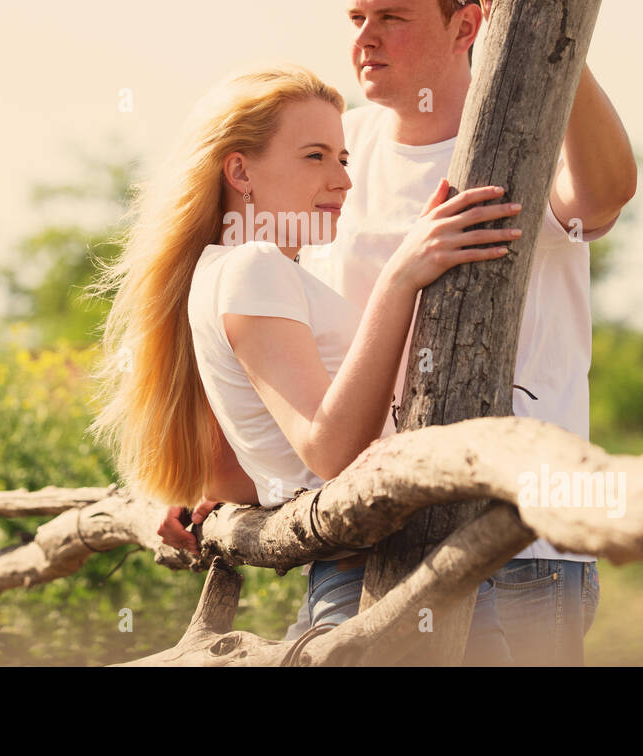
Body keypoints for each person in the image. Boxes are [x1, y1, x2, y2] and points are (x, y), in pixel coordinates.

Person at [160, 0, 637, 665]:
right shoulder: (330, 154)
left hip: (518, 541)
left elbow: (606, 195)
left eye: (393, 17)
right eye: (357, 17)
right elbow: (255, 320)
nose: (365, 38)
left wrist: (545, 36)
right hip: (363, 535)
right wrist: (206, 474)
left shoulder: (528, 131)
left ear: (468, 25)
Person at [88, 65, 527, 665]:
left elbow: (239, 477)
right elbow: (329, 451)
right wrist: (401, 278)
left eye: (344, 158)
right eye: (315, 156)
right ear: (240, 170)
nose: (342, 180)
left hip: (368, 581)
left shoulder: (231, 273)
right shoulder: (255, 267)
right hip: (384, 588)